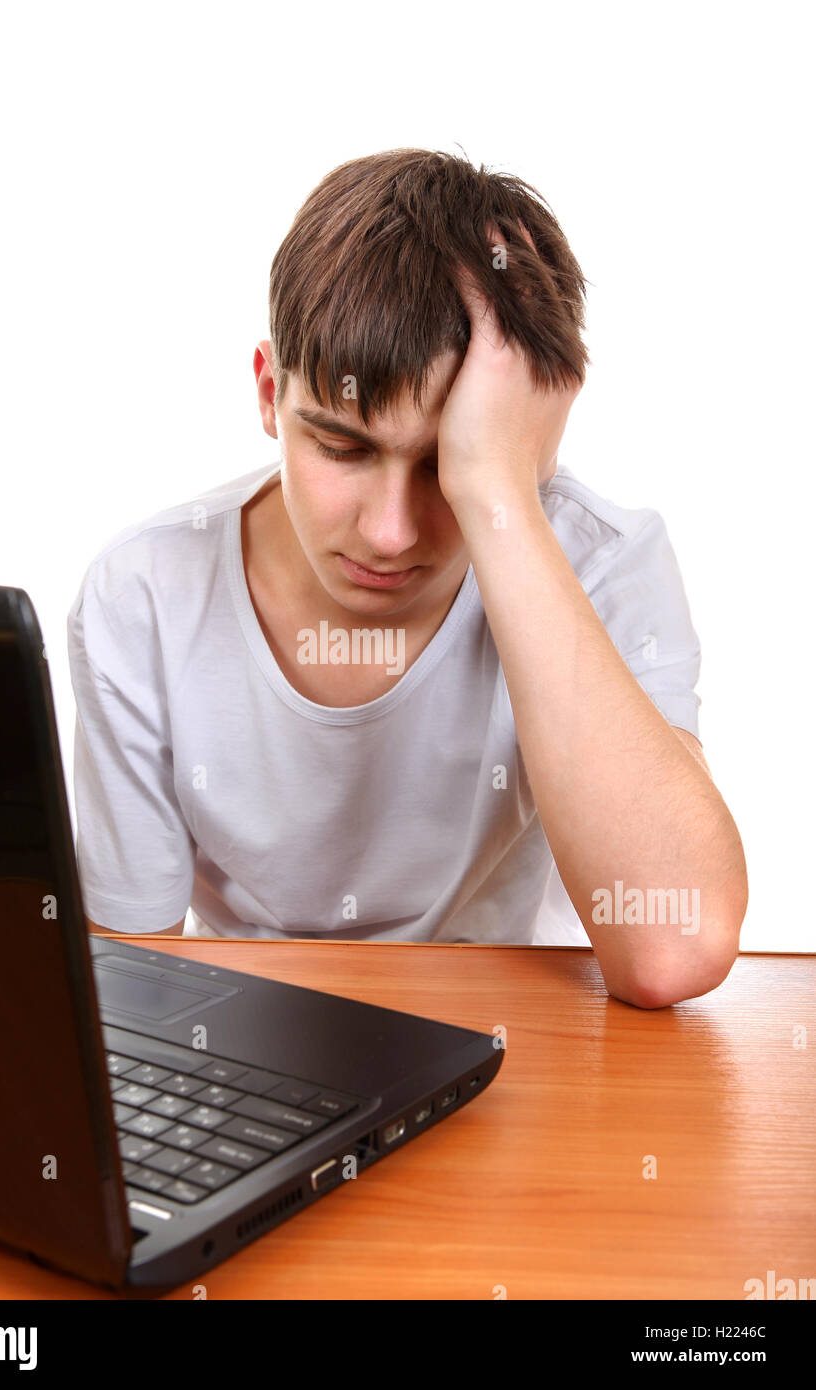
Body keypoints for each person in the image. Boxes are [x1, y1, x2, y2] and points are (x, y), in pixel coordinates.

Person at [68, 148, 747, 1008]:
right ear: (270, 389)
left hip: (506, 1044)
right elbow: (127, 986)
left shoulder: (602, 561)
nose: (390, 534)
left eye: (443, 465)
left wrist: (499, 494)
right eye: (343, 448)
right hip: (240, 1036)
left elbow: (673, 949)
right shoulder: (143, 596)